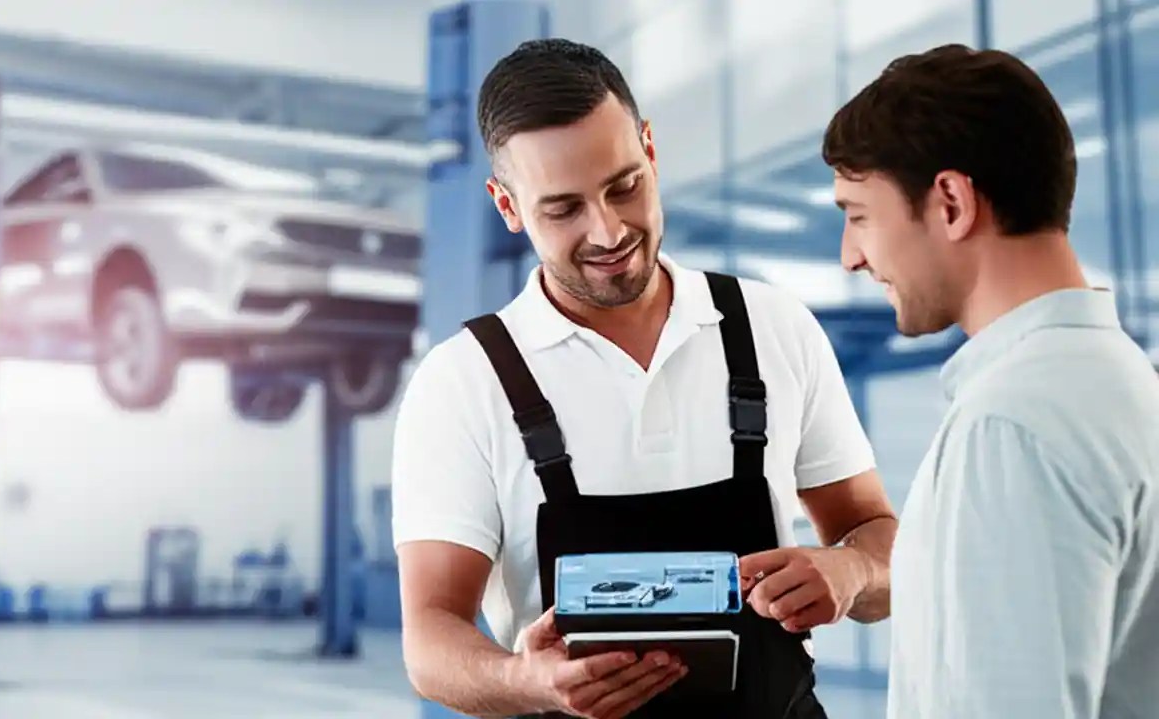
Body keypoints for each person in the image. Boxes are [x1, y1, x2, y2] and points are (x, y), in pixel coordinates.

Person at [392, 38, 897, 719]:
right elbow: (429, 642)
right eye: (563, 208)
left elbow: (877, 537)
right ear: (507, 206)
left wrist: (852, 570)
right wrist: (525, 682)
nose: (607, 231)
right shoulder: (463, 383)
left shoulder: (773, 327)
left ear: (650, 149)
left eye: (624, 186)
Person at [823, 43, 1159, 718]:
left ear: (950, 201)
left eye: (859, 215)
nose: (851, 256)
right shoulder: (1120, 381)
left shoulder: (1011, 423)